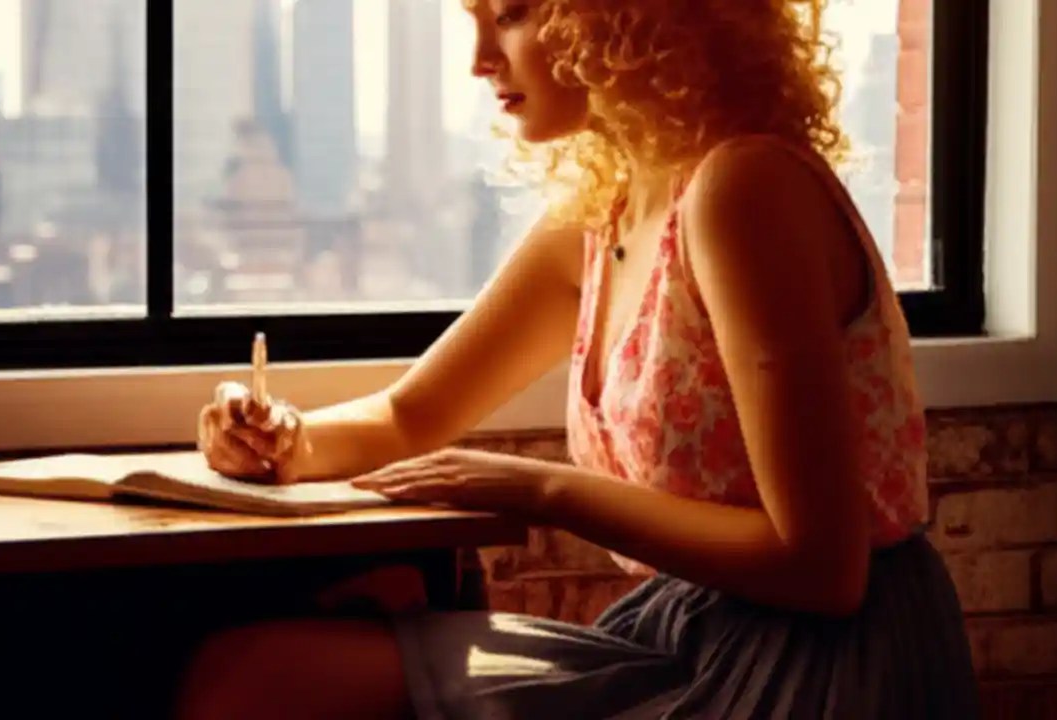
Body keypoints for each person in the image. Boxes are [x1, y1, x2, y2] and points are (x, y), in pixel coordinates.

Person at [182, 0, 979, 717]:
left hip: (823, 665)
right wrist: (281, 442)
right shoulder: (604, 218)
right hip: (691, 632)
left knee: (258, 682)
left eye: (514, 14)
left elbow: (823, 570)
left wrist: (546, 490)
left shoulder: (744, 189)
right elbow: (408, 414)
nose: (480, 60)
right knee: (248, 673)